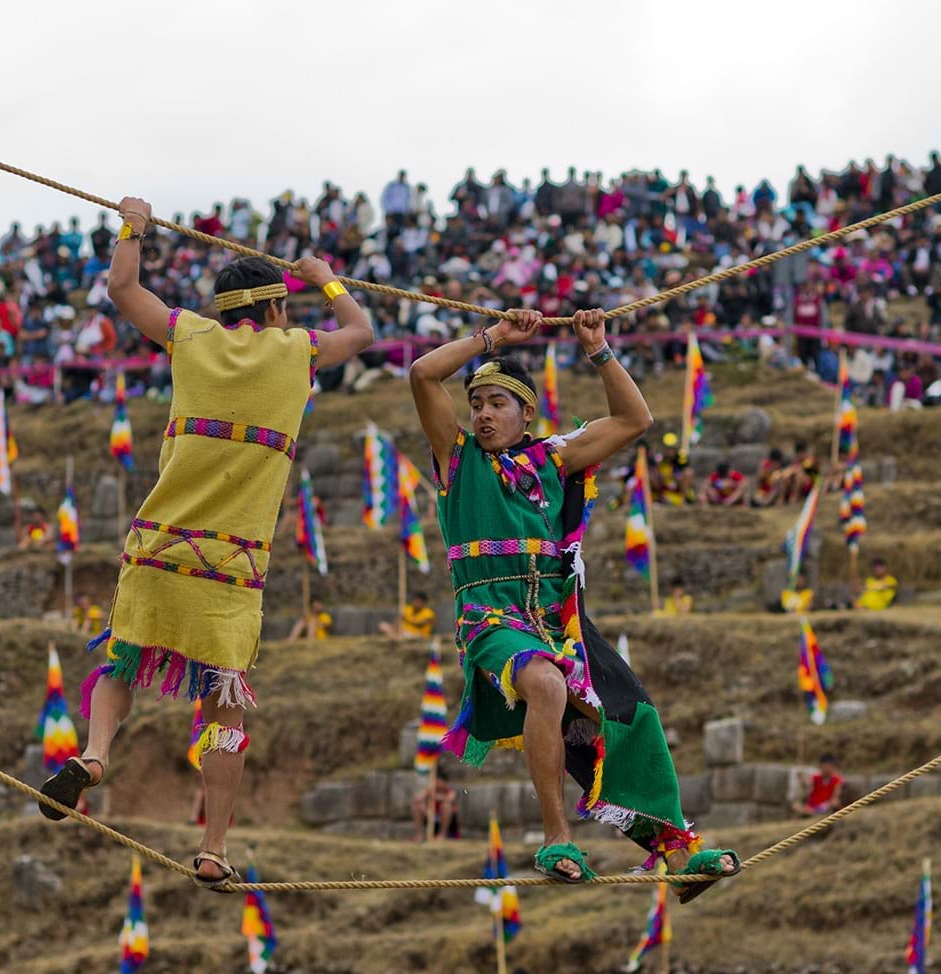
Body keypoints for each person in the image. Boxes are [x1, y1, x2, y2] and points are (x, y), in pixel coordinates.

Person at [39, 196, 374, 887]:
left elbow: (122, 287)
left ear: (226, 312)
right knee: (224, 708)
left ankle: (96, 753)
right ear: (277, 310)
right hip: (230, 568)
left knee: (123, 664)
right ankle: (214, 847)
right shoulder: (299, 350)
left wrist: (133, 223)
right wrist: (327, 279)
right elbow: (362, 332)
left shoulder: (191, 336)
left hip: (159, 548)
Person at [407, 308, 738, 899]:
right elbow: (422, 375)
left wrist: (598, 347)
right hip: (491, 619)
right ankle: (557, 838)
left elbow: (636, 419)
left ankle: (678, 850)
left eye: (496, 403)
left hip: (557, 623)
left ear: (526, 413)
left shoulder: (553, 460)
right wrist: (492, 339)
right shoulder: (456, 460)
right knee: (550, 688)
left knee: (631, 718)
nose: (482, 412)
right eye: (476, 402)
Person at [413, 775, 459, 841]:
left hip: (446, 821)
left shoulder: (451, 791)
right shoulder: (431, 790)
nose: (438, 784)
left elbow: (450, 799)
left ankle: (442, 835)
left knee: (446, 806)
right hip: (431, 817)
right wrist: (427, 791)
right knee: (418, 806)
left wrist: (437, 797)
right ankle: (419, 835)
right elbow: (417, 798)